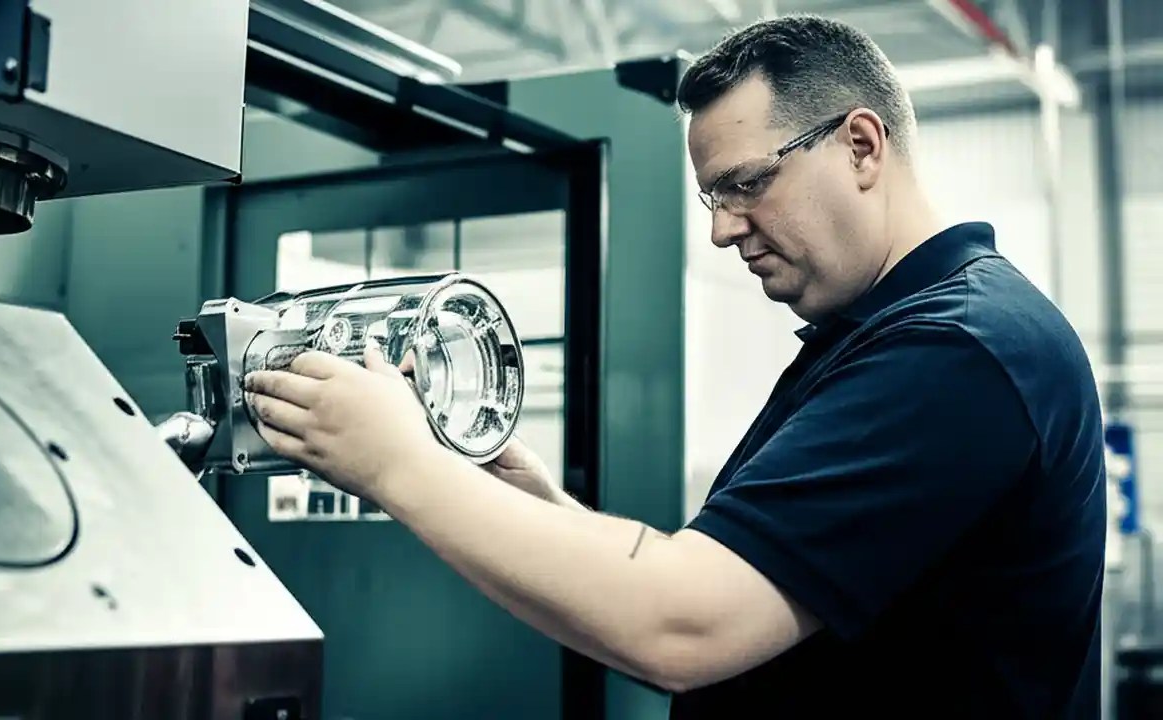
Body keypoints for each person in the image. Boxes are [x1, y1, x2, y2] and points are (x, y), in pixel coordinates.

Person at [243, 13, 1108, 719]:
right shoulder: (880, 338)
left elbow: (681, 626)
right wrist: (544, 513)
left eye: (746, 184)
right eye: (711, 197)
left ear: (861, 146)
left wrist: (397, 462)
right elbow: (710, 586)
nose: (722, 229)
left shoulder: (959, 351)